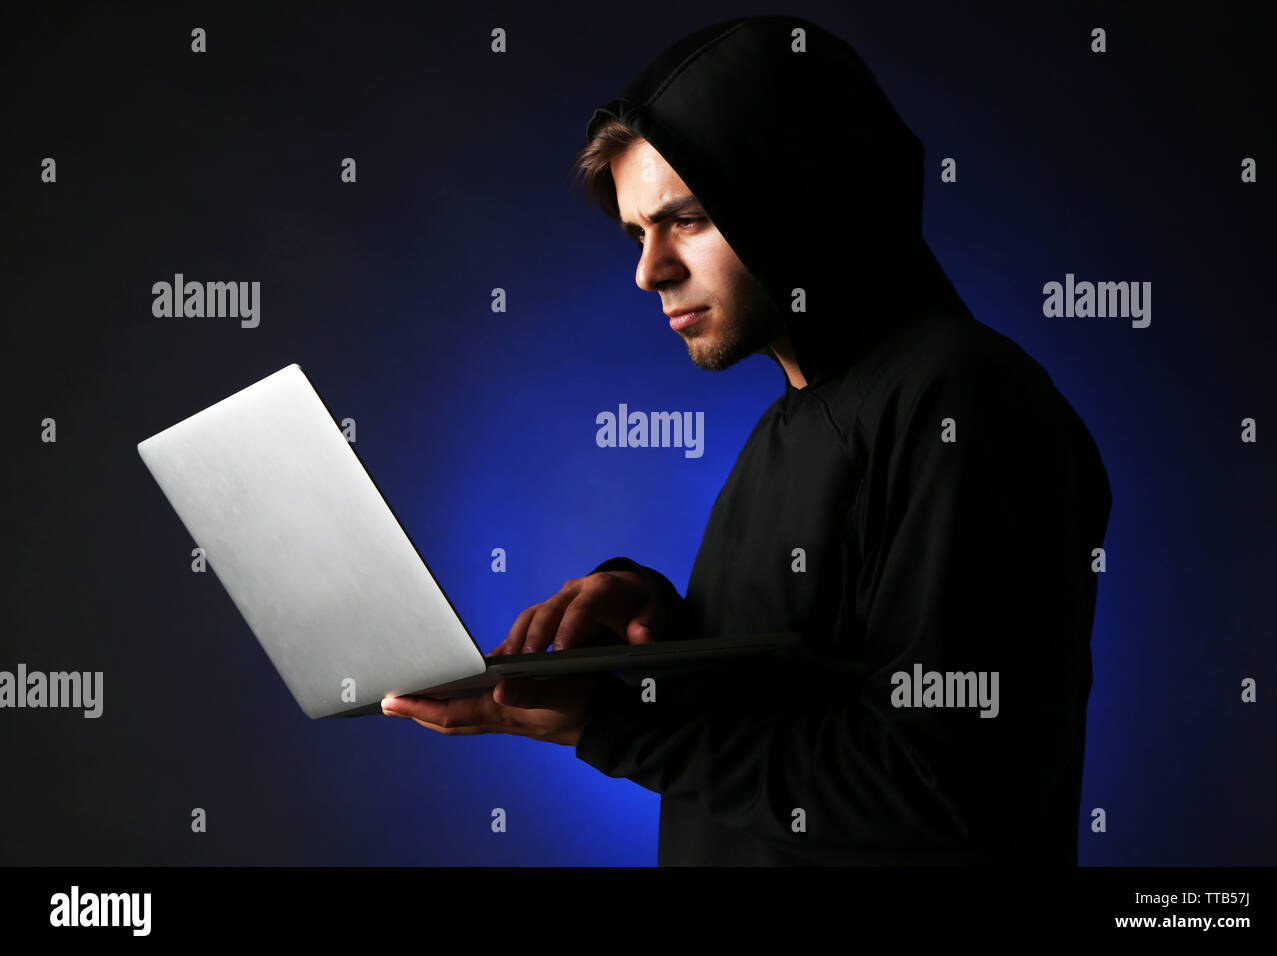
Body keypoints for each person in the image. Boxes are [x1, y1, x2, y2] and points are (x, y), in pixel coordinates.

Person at [380, 14, 1112, 866]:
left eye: (685, 219)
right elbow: (800, 692)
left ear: (799, 196)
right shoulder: (789, 424)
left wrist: (617, 727)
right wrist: (653, 616)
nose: (648, 269)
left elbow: (940, 783)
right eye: (637, 232)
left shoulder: (967, 404)